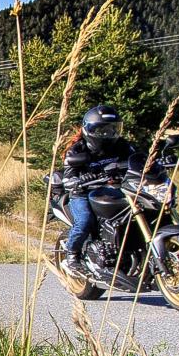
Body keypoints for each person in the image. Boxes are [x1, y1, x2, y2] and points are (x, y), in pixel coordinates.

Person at [60, 104, 138, 278]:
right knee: (85, 221)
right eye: (102, 130)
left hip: (115, 189)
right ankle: (72, 256)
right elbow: (67, 177)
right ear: (89, 130)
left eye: (112, 129)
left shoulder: (123, 145)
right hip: (82, 194)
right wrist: (79, 180)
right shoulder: (77, 149)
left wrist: (158, 162)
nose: (108, 134)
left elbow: (140, 159)